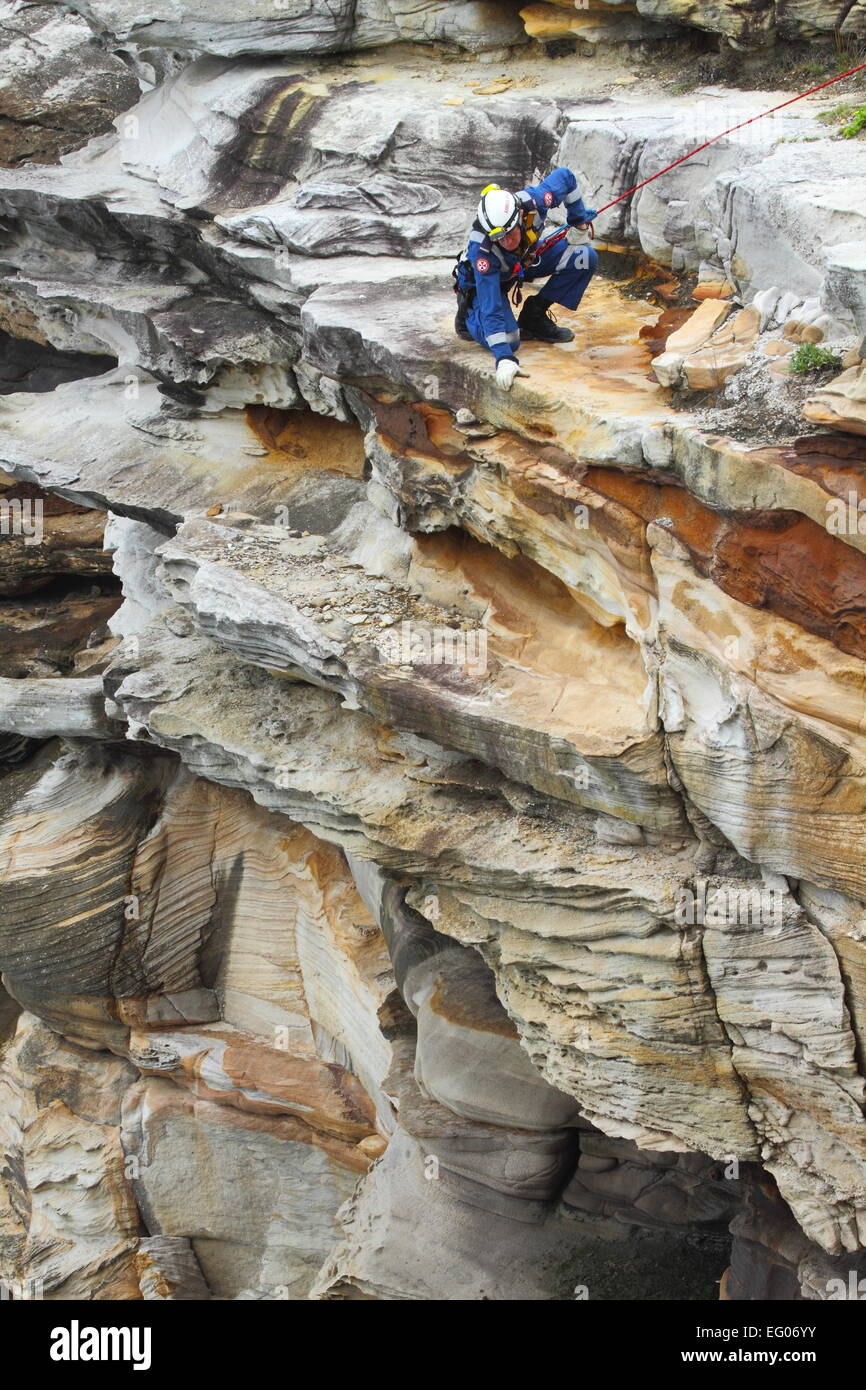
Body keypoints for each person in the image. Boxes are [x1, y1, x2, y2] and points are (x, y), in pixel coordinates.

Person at [454, 170, 598, 390]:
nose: (507, 241)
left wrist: (579, 223)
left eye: (510, 232)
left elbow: (566, 178)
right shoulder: (482, 252)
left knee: (583, 257)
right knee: (510, 340)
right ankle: (470, 316)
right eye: (499, 238)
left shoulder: (536, 201)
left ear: (520, 216)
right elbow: (490, 304)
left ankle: (534, 317)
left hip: (522, 262)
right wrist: (504, 359)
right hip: (487, 284)